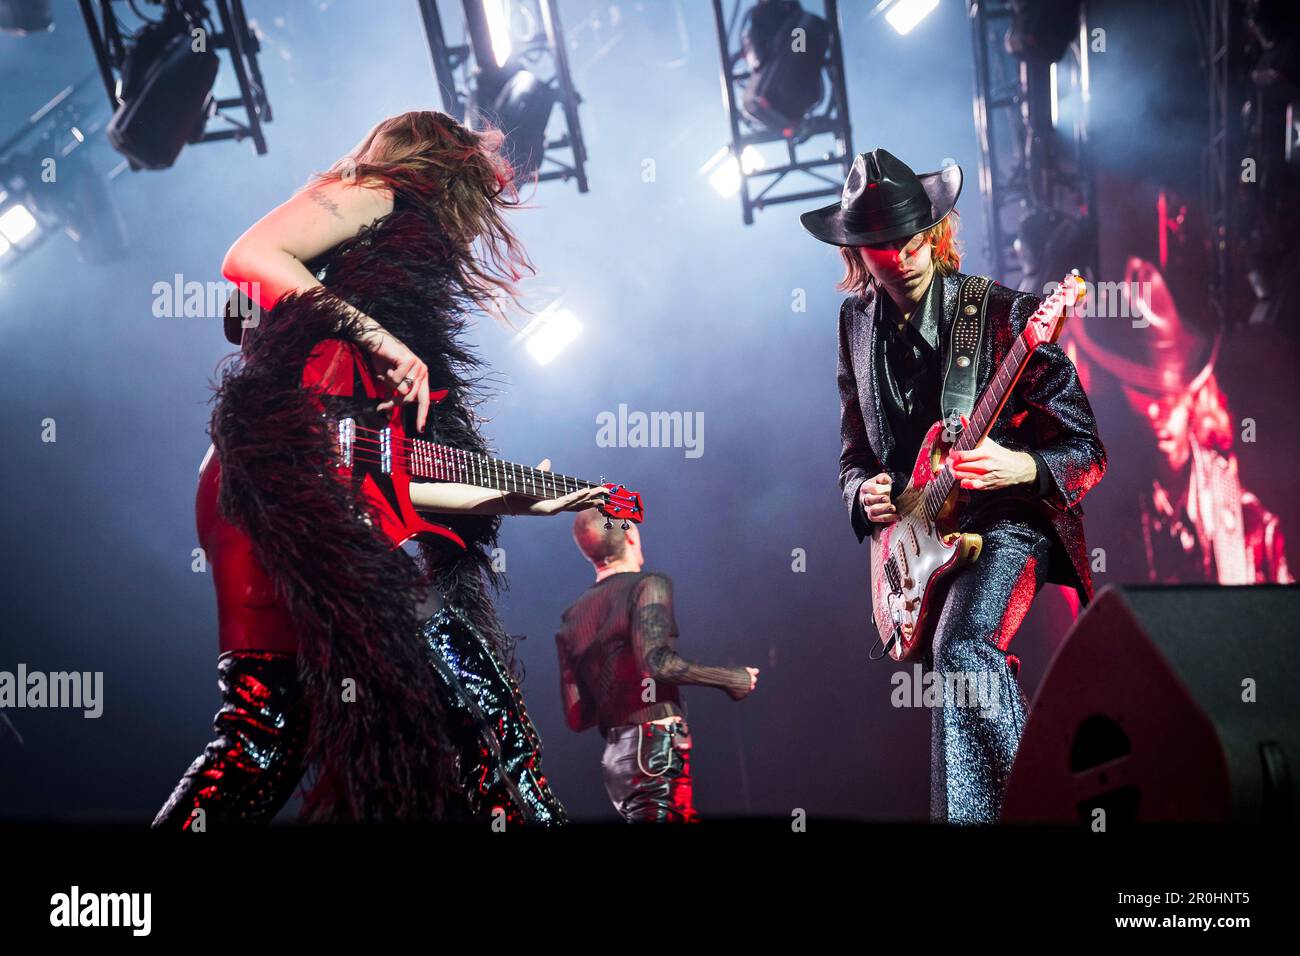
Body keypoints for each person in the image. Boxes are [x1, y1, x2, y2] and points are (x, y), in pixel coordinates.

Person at [154, 110, 608, 829]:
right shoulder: (382, 193)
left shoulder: (350, 363)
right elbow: (249, 253)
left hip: (258, 481)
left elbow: (393, 473)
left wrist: (527, 497)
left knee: (262, 736)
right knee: (489, 726)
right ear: (443, 168)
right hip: (297, 476)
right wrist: (380, 336)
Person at [801, 148, 1107, 823]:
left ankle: (1053, 803)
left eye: (912, 240)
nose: (902, 256)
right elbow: (854, 453)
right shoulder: (853, 326)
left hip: (1007, 524)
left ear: (937, 234)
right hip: (919, 537)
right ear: (857, 250)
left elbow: (1088, 450)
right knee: (952, 691)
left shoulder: (1003, 315)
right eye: (882, 246)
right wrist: (863, 494)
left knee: (963, 648)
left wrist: (1020, 466)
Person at [555, 510, 758, 822]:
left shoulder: (571, 618)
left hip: (616, 760)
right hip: (653, 752)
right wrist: (732, 679)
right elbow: (656, 662)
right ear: (631, 535)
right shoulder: (648, 585)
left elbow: (577, 716)